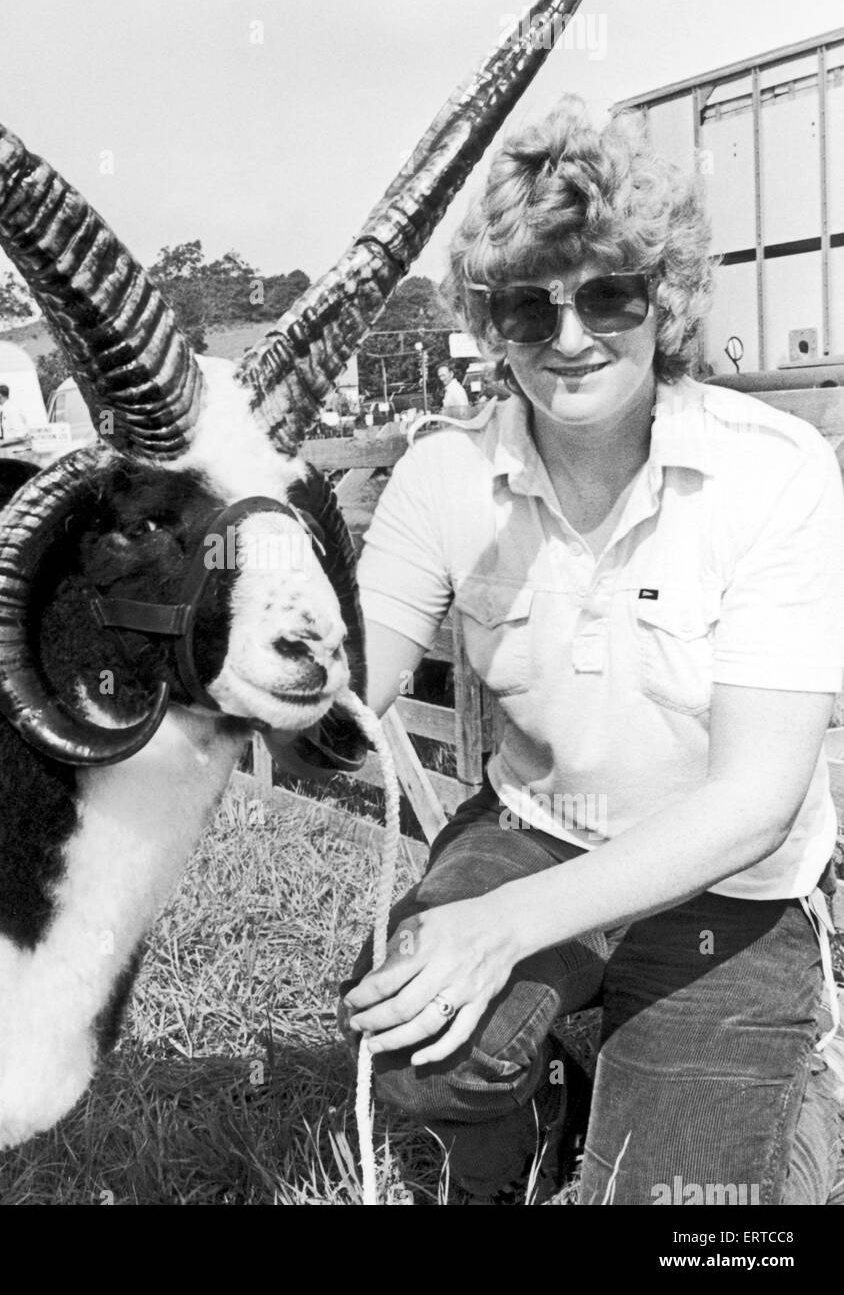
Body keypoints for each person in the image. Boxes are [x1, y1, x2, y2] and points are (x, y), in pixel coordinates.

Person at [341, 98, 844, 1205]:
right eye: (529, 307)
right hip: (535, 835)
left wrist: (496, 930)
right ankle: (528, 1106)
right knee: (415, 1034)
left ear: (661, 303)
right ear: (491, 325)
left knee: (686, 1217)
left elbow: (756, 802)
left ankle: (787, 1096)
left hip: (731, 888)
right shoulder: (439, 477)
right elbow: (344, 690)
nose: (569, 338)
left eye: (606, 294)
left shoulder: (776, 471)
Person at [0, 383, 30, 453]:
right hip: (12, 452)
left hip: (19, 452)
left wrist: (0, 443)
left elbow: (23, 435)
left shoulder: (11, 410)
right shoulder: (5, 409)